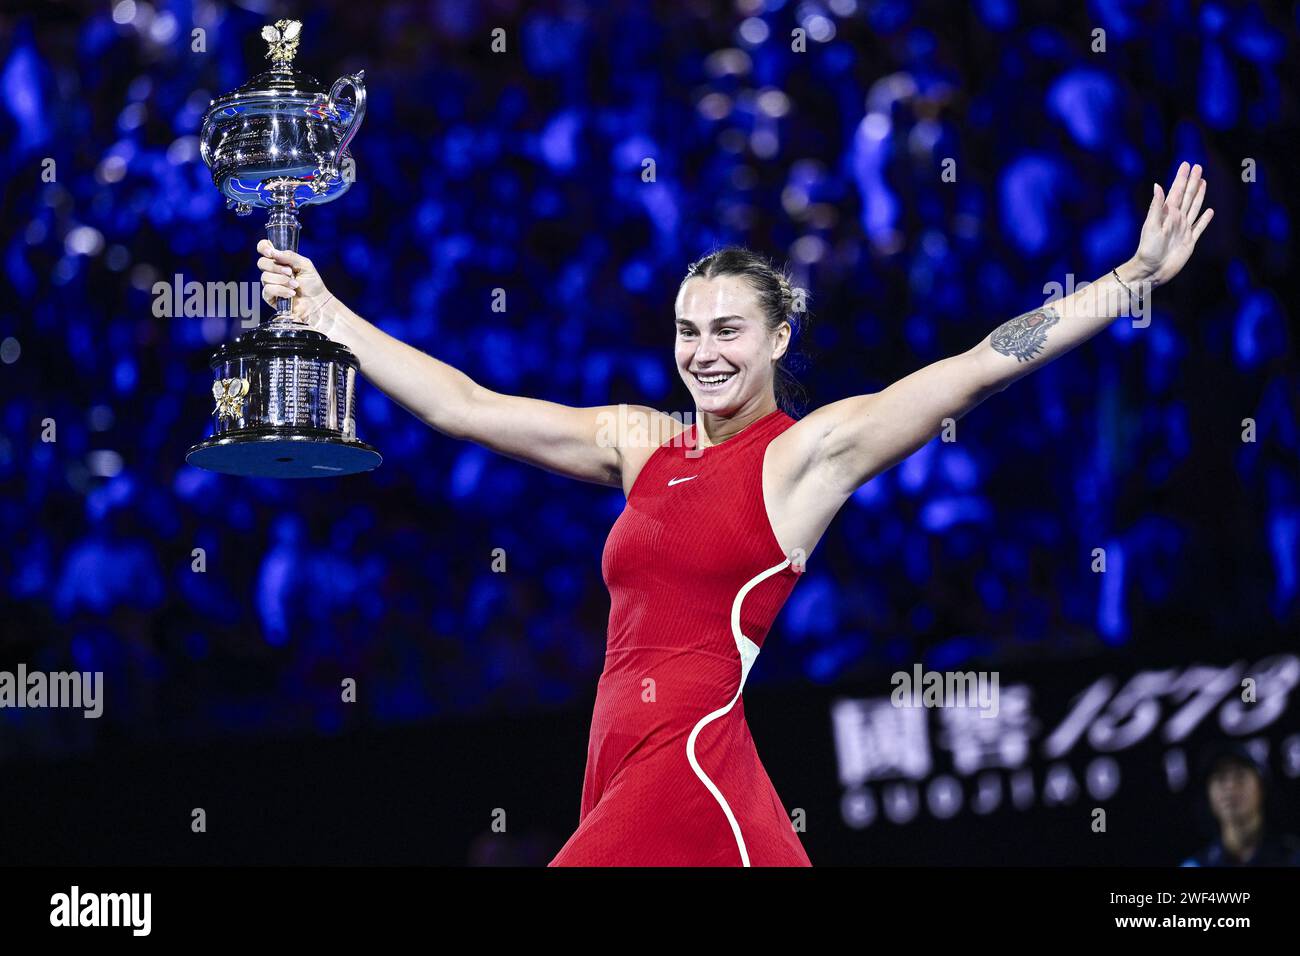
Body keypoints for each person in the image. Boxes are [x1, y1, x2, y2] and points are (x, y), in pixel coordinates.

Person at [256, 161, 1213, 866]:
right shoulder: (642, 441)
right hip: (623, 766)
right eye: (687, 330)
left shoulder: (803, 456)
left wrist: (1128, 282)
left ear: (778, 337)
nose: (703, 352)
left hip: (691, 772)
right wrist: (333, 319)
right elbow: (465, 407)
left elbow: (975, 370)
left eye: (727, 331)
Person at [1182, 742, 1300, 867]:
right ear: (1208, 795)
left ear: (1261, 787)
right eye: (1220, 778)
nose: (1230, 787)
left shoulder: (1294, 856)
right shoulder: (1196, 864)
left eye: (1240, 775)